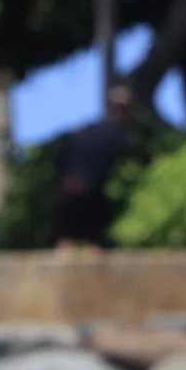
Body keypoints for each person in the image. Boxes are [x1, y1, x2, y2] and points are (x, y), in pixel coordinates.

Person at [54, 84, 136, 250]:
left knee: (66, 241)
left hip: (70, 187)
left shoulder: (84, 130)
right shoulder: (124, 134)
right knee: (94, 243)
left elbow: (62, 158)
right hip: (95, 192)